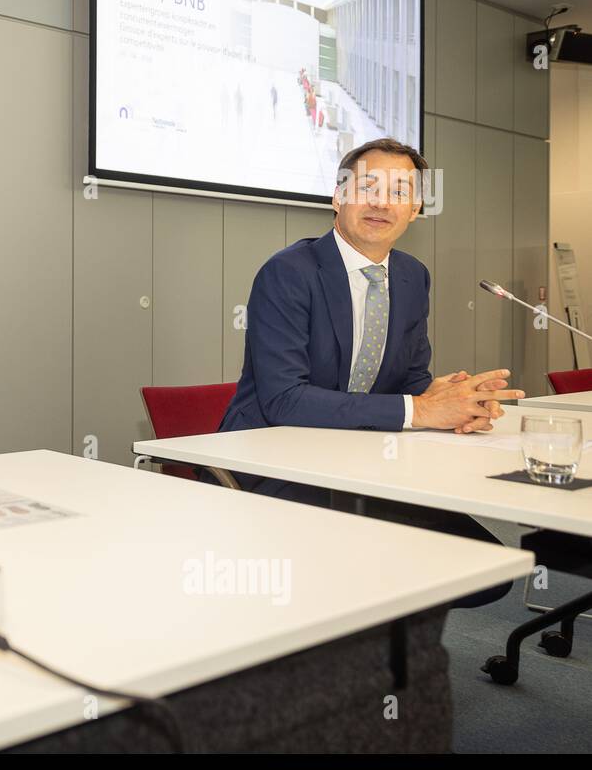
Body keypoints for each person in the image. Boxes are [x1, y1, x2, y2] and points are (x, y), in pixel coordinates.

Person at [217, 136, 525, 605]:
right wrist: (420, 411)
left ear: (417, 209)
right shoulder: (289, 272)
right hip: (277, 466)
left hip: (364, 462)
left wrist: (453, 399)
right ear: (338, 195)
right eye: (368, 187)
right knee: (365, 566)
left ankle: (375, 652)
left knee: (484, 569)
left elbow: (409, 381)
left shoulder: (411, 275)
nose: (383, 202)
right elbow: (284, 399)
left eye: (401, 191)